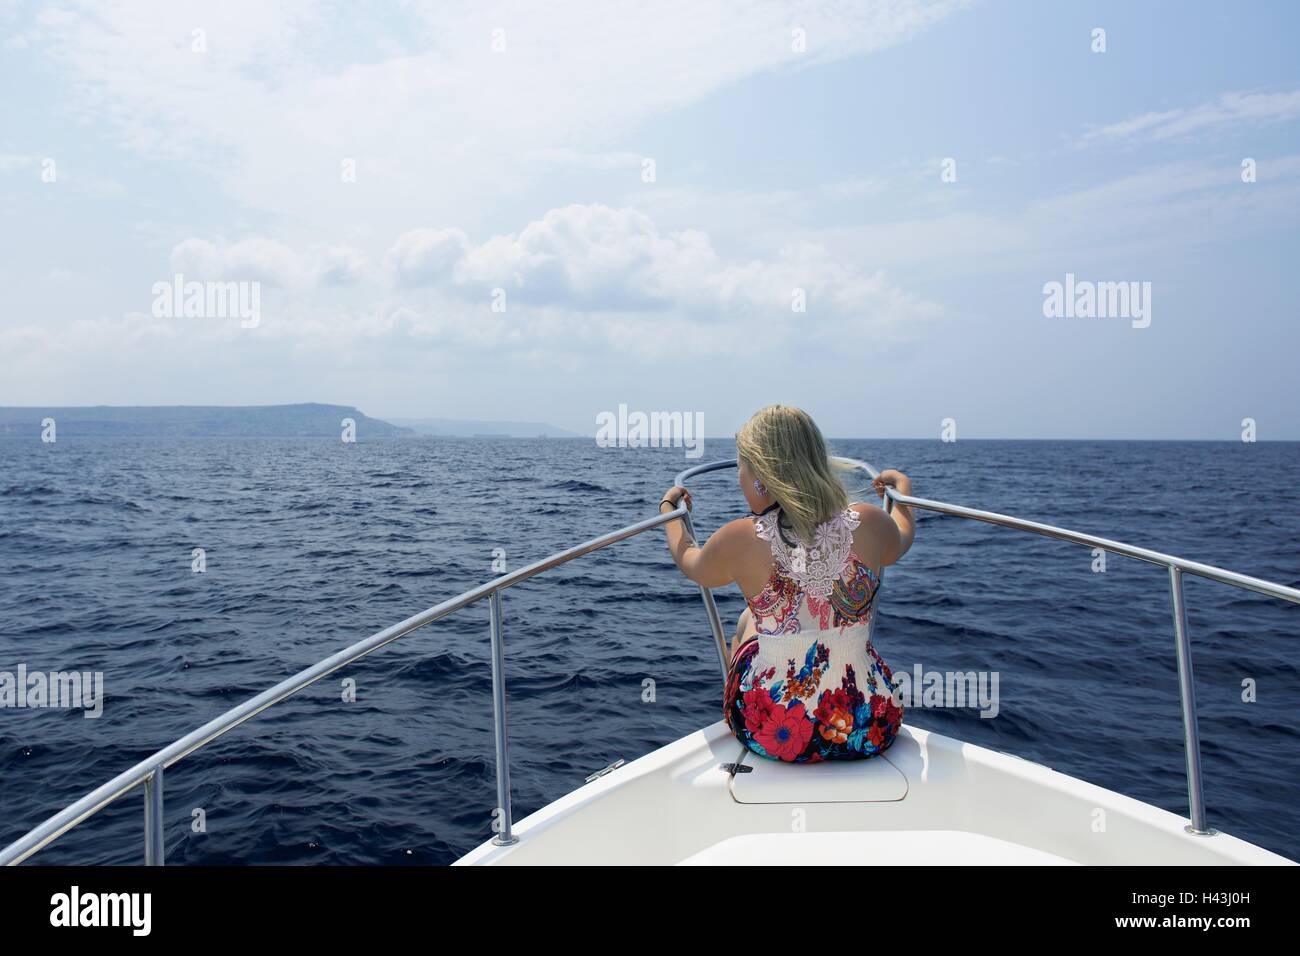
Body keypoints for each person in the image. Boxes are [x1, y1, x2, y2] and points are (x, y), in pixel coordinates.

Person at [659, 404, 915, 762]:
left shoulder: (739, 538)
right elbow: (902, 537)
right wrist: (901, 489)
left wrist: (670, 510)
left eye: (741, 467)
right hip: (870, 724)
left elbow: (691, 561)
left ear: (761, 474)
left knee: (750, 619)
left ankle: (742, 675)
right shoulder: (870, 522)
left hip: (774, 734)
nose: (739, 478)